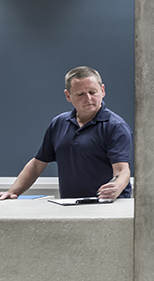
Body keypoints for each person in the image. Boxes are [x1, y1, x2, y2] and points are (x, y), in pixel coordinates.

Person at [1, 66, 132, 201]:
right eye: (80, 94)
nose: (88, 98)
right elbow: (36, 165)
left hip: (107, 207)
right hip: (70, 207)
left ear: (102, 90)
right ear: (68, 96)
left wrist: (116, 186)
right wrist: (12, 192)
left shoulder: (115, 127)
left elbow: (122, 170)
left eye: (92, 92)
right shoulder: (59, 123)